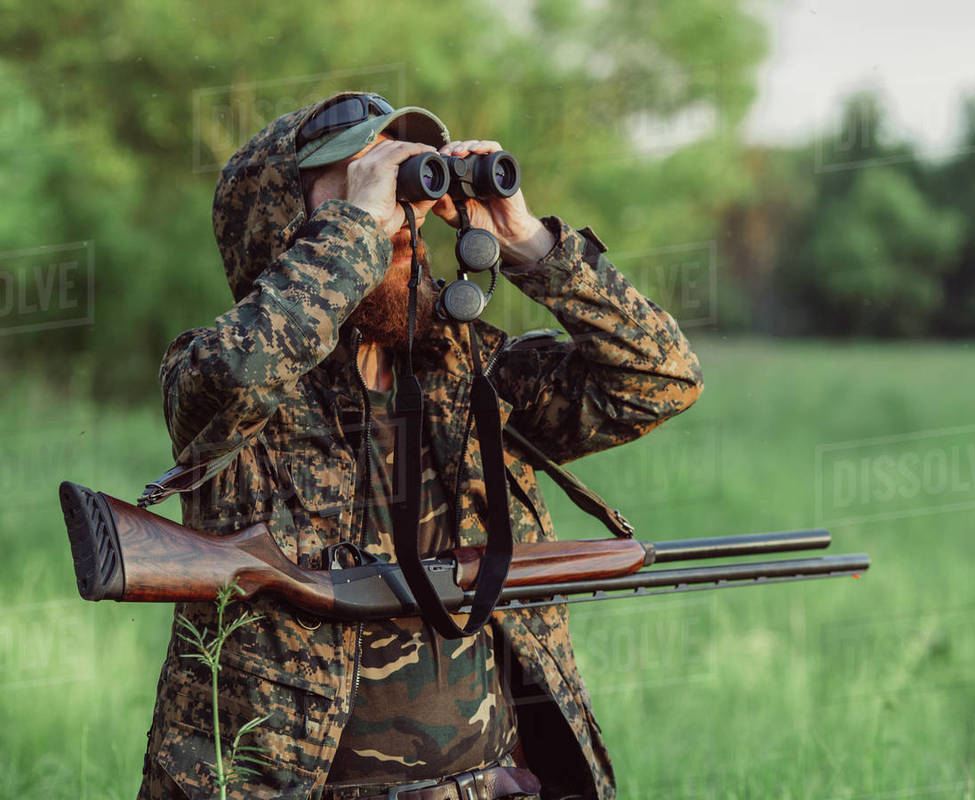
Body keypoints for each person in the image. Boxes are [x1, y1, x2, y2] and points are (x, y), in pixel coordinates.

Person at [137, 91, 703, 800]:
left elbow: (659, 377)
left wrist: (528, 239)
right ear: (281, 227)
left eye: (401, 183)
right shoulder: (226, 388)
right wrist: (357, 229)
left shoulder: (475, 375)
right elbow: (240, 370)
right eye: (358, 181)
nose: (400, 218)